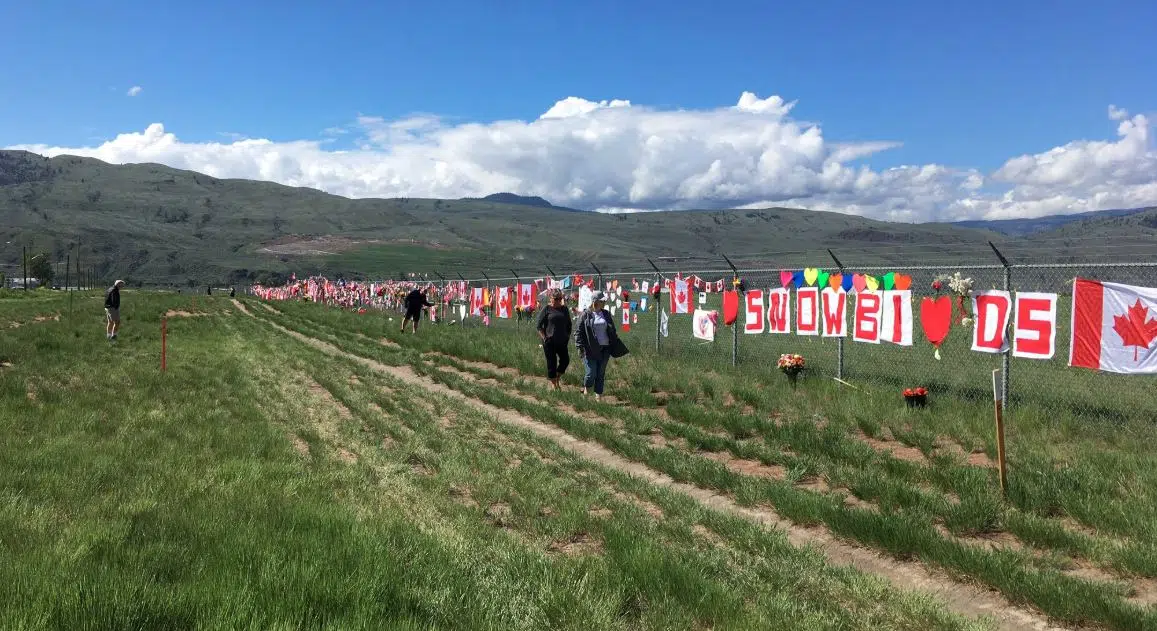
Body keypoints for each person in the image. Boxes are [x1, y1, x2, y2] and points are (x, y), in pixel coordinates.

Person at [574, 291, 629, 399]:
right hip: (590, 349)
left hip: (605, 348)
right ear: (596, 301)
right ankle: (587, 389)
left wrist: (613, 336)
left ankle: (598, 397)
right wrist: (580, 347)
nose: (604, 302)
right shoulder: (585, 314)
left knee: (600, 373)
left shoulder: (606, 313)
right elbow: (578, 332)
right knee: (591, 373)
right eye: (602, 300)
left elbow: (611, 327)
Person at [536, 289, 572, 390]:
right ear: (551, 298)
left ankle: (557, 377)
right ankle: (554, 384)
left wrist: (567, 336)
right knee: (551, 362)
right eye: (556, 299)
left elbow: (569, 324)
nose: (558, 301)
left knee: (565, 360)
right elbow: (539, 325)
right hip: (549, 341)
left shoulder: (564, 309)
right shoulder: (547, 309)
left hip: (562, 341)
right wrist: (544, 338)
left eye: (560, 299)